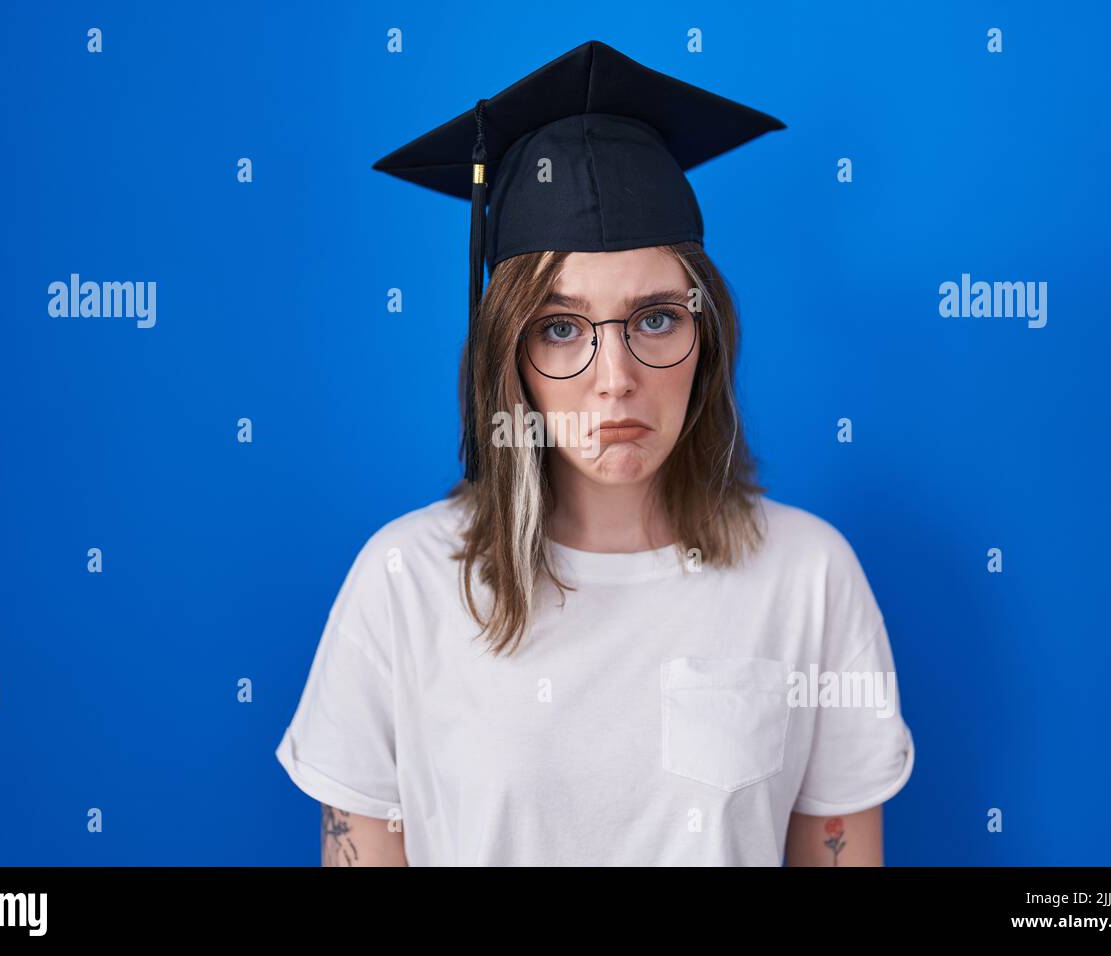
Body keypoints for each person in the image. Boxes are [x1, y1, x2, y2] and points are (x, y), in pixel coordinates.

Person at [275, 39, 915, 866]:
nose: (615, 380)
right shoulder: (402, 584)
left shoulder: (809, 577)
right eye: (561, 327)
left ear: (705, 336)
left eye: (656, 318)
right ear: (510, 355)